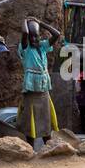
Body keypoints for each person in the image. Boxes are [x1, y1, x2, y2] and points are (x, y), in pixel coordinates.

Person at [16, 17, 62, 147]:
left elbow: (57, 34)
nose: (34, 39)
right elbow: (25, 33)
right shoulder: (25, 49)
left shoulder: (42, 47)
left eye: (36, 36)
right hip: (31, 94)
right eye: (31, 37)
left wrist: (40, 23)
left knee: (46, 123)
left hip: (44, 92)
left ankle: (48, 150)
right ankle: (29, 151)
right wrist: (25, 20)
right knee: (30, 127)